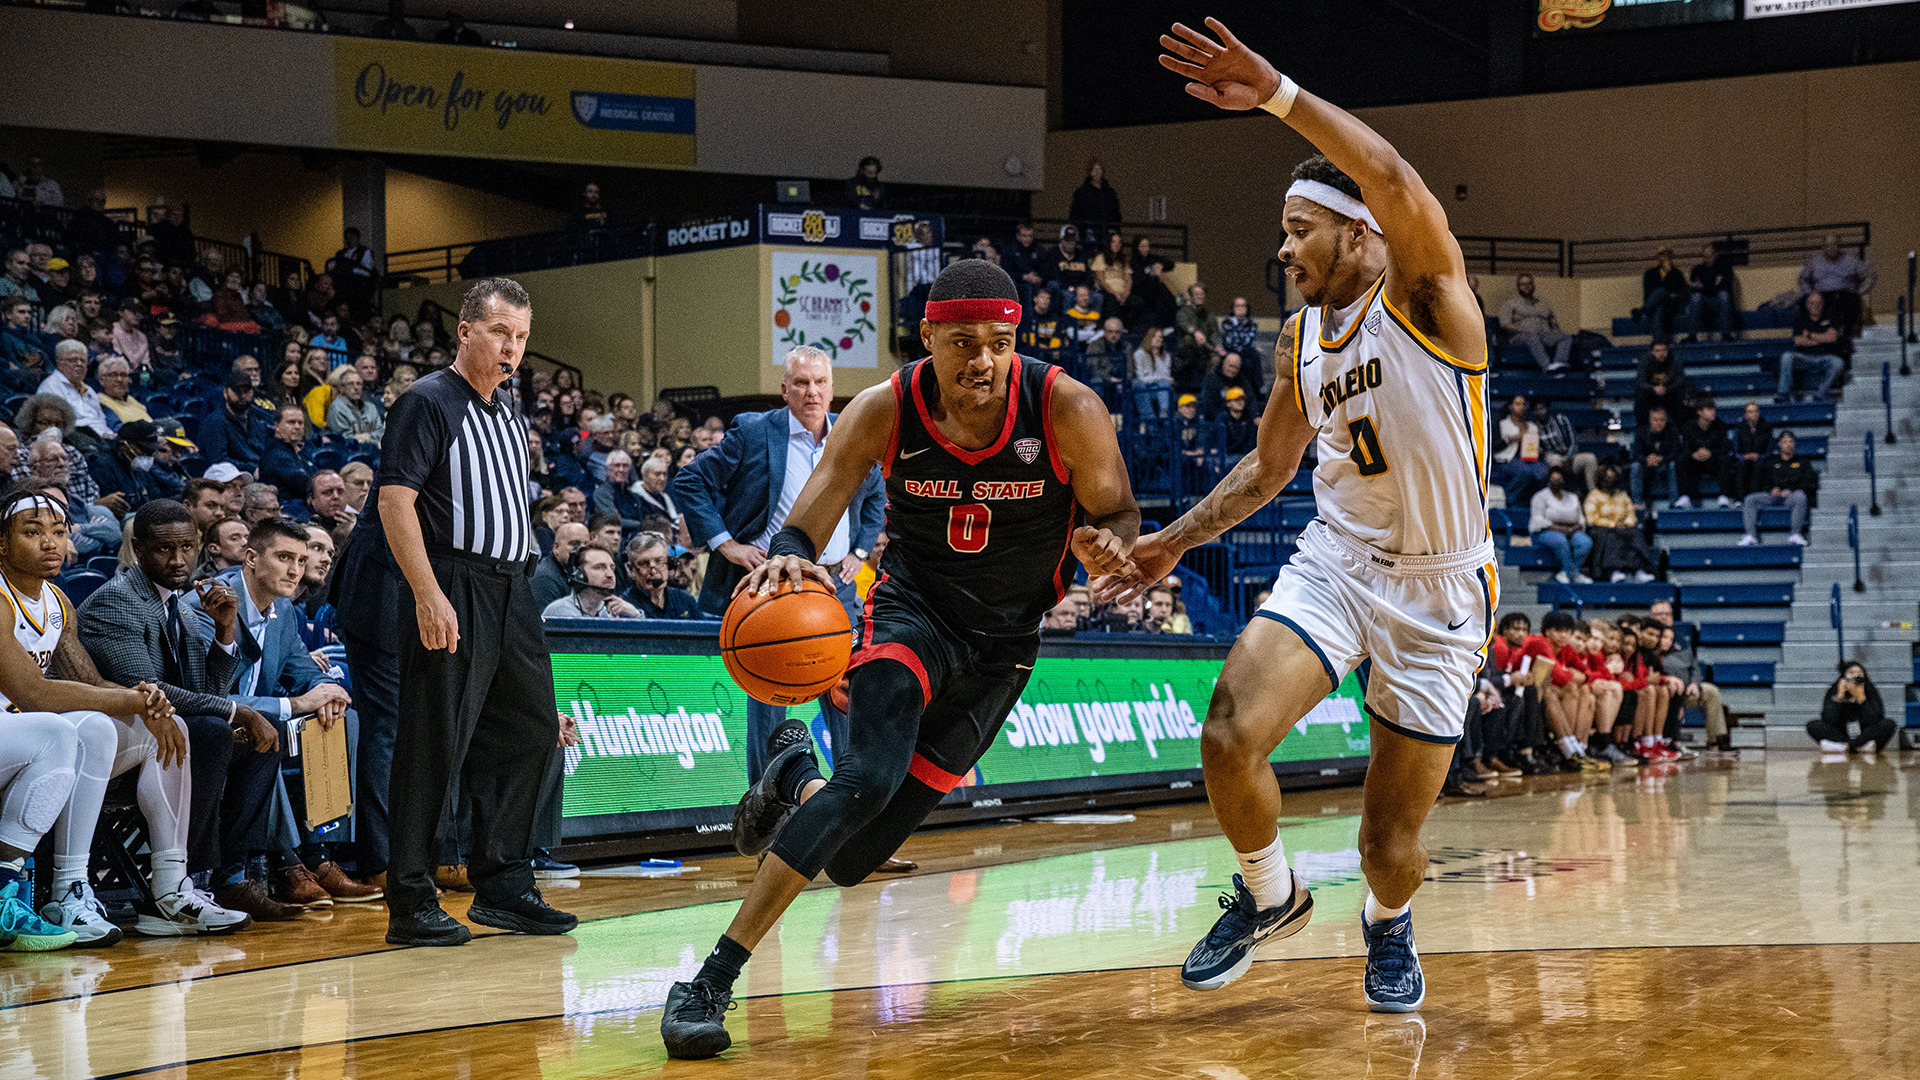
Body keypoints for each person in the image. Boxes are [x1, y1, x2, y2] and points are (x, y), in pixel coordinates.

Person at [1110, 19, 1498, 1014]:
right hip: (1337, 563)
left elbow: (1399, 178)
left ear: (1357, 229)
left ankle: (1386, 920)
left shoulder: (1428, 297)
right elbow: (1269, 466)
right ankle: (1270, 892)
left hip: (1440, 585)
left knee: (1389, 847)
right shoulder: (1300, 342)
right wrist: (1168, 544)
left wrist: (1280, 91)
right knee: (1229, 731)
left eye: (1299, 230)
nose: (1283, 250)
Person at [659, 259, 1137, 1060]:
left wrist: (1108, 542)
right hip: (911, 614)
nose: (981, 359)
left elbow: (1117, 507)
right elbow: (804, 523)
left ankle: (792, 780)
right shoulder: (888, 408)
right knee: (867, 779)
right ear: (929, 339)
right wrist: (789, 558)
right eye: (962, 342)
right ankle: (709, 980)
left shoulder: (1066, 407)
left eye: (998, 341)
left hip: (1004, 649)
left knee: (853, 859)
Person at [377, 278, 576, 947]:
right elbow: (394, 502)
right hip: (451, 582)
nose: (512, 348)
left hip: (511, 589)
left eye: (521, 337)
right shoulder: (427, 401)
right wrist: (428, 593)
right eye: (500, 333)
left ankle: (504, 883)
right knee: (434, 740)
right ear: (465, 331)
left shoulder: (509, 414)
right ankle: (409, 897)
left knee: (529, 728)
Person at [0, 483, 250, 944]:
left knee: (164, 726)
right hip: (20, 728)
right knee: (67, 730)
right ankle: (7, 887)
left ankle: (162, 889)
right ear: (1, 542)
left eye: (58, 531)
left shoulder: (57, 602)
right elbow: (33, 693)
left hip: (25, 736)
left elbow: (93, 685)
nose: (50, 542)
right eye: (32, 532)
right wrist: (136, 699)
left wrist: (153, 707)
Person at [671, 347, 887, 787]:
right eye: (802, 383)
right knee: (770, 693)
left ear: (832, 388)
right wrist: (726, 544)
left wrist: (859, 552)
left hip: (835, 583)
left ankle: (851, 808)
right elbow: (691, 480)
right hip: (772, 581)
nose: (812, 392)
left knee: (849, 698)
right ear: (784, 389)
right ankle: (768, 804)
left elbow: (875, 500)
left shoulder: (851, 434)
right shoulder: (754, 431)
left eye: (820, 382)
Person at [1647, 600, 1729, 755]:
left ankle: (1715, 741)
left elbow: (1694, 665)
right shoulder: (1650, 642)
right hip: (1665, 689)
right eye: (1659, 614)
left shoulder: (1681, 640)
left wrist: (1695, 683)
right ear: (1651, 616)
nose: (1664, 617)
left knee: (1711, 691)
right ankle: (1665, 742)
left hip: (1685, 689)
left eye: (1667, 614)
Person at [1739, 430, 1814, 547]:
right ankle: (1751, 535)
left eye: (1790, 441)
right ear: (1779, 444)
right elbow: (1764, 481)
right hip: (1774, 496)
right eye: (1785, 442)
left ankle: (1796, 534)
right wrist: (1772, 489)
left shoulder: (1803, 462)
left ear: (1794, 443)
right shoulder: (1772, 462)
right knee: (1750, 499)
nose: (1788, 444)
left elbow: (1807, 482)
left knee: (1800, 496)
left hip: (1791, 496)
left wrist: (1790, 490)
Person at [1584, 465, 1658, 582]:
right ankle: (1613, 571)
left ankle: (1639, 570)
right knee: (1612, 536)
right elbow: (1591, 518)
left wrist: (1626, 523)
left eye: (1612, 478)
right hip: (1602, 528)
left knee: (1635, 534)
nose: (1610, 480)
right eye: (1607, 478)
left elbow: (1630, 514)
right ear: (1601, 479)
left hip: (1623, 527)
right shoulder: (1594, 496)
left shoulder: (1623, 495)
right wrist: (1613, 524)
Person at [1798, 233, 1874, 338]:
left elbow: (1869, 276)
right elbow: (1802, 279)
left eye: (1834, 244)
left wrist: (1860, 291)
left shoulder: (1851, 261)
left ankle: (1847, 335)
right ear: (1823, 247)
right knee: (1803, 303)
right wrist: (1809, 293)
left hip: (1844, 294)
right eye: (1828, 245)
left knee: (1853, 300)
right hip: (1822, 295)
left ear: (1840, 246)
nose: (1831, 248)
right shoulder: (1815, 262)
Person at [1807, 661, 1892, 755]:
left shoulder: (1871, 691)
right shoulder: (1834, 691)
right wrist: (1839, 697)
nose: (1855, 676)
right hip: (1842, 733)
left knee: (1888, 724)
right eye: (1851, 673)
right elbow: (1828, 720)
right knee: (1813, 725)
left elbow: (1875, 719)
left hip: (1864, 733)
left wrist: (1861, 699)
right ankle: (1858, 747)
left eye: (1859, 673)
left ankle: (1845, 747)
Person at [39, 339, 113, 445]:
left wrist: (109, 434)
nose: (79, 364)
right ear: (60, 362)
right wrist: (99, 436)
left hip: (106, 440)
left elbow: (101, 419)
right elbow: (59, 427)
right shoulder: (50, 387)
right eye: (73, 360)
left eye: (83, 360)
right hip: (79, 442)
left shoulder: (89, 390)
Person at [1778, 291, 1846, 403]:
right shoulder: (1801, 319)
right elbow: (1798, 341)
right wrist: (1822, 338)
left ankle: (1820, 394)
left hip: (1824, 357)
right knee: (1786, 356)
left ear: (1822, 304)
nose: (1815, 306)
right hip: (1804, 357)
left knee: (1838, 363)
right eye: (1812, 303)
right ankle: (1783, 393)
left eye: (1818, 303)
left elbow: (1832, 338)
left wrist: (1810, 335)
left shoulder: (1829, 317)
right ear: (1807, 305)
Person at [196, 370, 271, 470]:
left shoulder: (258, 420)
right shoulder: (215, 422)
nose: (243, 396)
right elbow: (219, 461)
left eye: (246, 391)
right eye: (237, 391)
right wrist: (252, 469)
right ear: (225, 393)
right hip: (232, 479)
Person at [1529, 465, 1591, 585]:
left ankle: (1565, 571)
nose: (1556, 482)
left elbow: (1581, 520)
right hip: (1546, 531)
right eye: (1553, 480)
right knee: (1560, 540)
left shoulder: (1572, 497)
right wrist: (1559, 529)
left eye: (1559, 480)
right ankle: (1573, 573)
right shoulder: (1540, 496)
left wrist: (1573, 528)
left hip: (1571, 529)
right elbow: (1537, 520)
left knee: (1585, 542)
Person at [541, 544, 640, 619]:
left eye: (612, 568)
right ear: (579, 574)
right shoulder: (560, 612)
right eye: (599, 567)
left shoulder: (614, 612)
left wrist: (636, 616)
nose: (610, 575)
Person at [1498, 273, 1570, 372]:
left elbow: (1552, 320)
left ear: (1533, 285)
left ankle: (1559, 363)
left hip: (1544, 334)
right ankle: (1547, 367)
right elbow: (1504, 324)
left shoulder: (1542, 304)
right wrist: (1526, 330)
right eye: (1523, 284)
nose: (1527, 286)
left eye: (1529, 283)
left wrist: (1553, 328)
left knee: (1565, 336)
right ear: (1518, 287)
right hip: (1521, 336)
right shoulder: (1510, 304)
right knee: (1531, 335)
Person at [621, 532, 702, 619]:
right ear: (631, 570)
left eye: (659, 561)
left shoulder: (686, 601)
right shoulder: (624, 607)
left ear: (669, 565)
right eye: (644, 563)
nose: (653, 571)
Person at [1674, 398, 1734, 510]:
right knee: (1681, 459)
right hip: (1696, 462)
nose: (1713, 412)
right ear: (1699, 412)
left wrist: (1711, 453)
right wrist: (1693, 454)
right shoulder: (1689, 426)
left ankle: (1723, 495)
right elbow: (1684, 447)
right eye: (1709, 409)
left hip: (1713, 462)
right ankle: (1685, 496)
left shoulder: (1720, 425)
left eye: (1714, 409)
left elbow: (1725, 447)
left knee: (1725, 459)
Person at [1492, 394, 1549, 507]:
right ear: (1510, 406)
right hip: (1506, 458)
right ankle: (1510, 499)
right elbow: (1495, 446)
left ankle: (1534, 502)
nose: (1521, 407)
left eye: (1523, 404)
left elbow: (1539, 446)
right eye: (1517, 404)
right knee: (1525, 472)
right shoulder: (1502, 424)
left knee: (1543, 471)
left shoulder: (1532, 426)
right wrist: (1513, 439)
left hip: (1529, 458)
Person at [259, 405, 314, 500]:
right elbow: (301, 482)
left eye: (300, 423)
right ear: (277, 426)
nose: (297, 427)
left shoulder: (302, 452)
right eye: (291, 422)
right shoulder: (275, 454)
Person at [1629, 406, 1679, 508]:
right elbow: (1637, 453)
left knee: (1673, 465)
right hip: (1646, 465)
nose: (1659, 423)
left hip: (1665, 464)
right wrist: (1647, 459)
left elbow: (1675, 453)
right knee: (1635, 466)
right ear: (1650, 420)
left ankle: (1674, 502)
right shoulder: (1641, 432)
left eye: (1662, 420)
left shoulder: (1672, 431)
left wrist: (1661, 459)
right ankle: (1637, 503)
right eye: (1655, 420)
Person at [1686, 241, 1737, 341]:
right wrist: (1713, 284)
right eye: (1705, 256)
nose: (1707, 258)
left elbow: (1725, 286)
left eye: (1710, 255)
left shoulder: (1724, 268)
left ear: (1715, 255)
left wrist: (1704, 286)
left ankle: (1726, 334)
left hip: (1718, 302)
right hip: (1704, 303)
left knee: (1724, 296)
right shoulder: (1697, 270)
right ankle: (1692, 335)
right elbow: (1693, 288)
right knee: (1695, 298)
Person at [1069, 161, 1124, 248]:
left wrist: (1115, 228)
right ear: (1090, 172)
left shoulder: (1109, 192)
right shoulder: (1082, 192)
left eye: (1099, 169)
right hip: (1088, 230)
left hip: (1107, 230)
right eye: (1095, 170)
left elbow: (1115, 212)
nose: (1097, 172)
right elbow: (1075, 213)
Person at [1634, 341, 1688, 427]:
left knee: (1681, 394)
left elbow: (1680, 380)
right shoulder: (1645, 361)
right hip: (1651, 394)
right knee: (1640, 394)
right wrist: (1653, 389)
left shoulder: (1674, 360)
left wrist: (1667, 388)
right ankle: (1642, 427)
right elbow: (1640, 382)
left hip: (1669, 393)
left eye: (1663, 350)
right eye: (1657, 351)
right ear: (1652, 352)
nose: (1661, 353)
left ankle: (1679, 429)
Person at [1639, 245, 1687, 341]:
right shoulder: (1650, 274)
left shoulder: (1677, 274)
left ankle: (1643, 310)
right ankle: (1659, 343)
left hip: (1672, 304)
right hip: (1657, 305)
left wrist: (1668, 275)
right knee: (1659, 309)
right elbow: (1648, 292)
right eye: (1662, 255)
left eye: (1667, 255)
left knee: (1660, 291)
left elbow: (1680, 291)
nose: (1664, 257)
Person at [325, 365, 384, 444]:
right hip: (348, 454)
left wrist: (365, 437)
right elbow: (344, 439)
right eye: (350, 384)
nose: (356, 387)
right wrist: (371, 438)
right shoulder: (337, 408)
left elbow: (381, 433)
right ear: (343, 388)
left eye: (359, 384)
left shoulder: (371, 407)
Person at [1731, 400, 1773, 501]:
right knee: (1741, 465)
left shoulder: (1766, 427)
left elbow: (1770, 449)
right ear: (1745, 414)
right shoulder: (1739, 428)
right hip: (1744, 458)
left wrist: (1759, 456)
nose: (1753, 414)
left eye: (1755, 411)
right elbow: (1735, 449)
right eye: (1750, 412)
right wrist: (1744, 456)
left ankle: (1754, 498)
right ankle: (1740, 499)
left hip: (1761, 459)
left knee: (1759, 465)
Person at [1131, 326, 1173, 417]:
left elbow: (1166, 377)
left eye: (1160, 337)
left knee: (1165, 385)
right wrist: (1160, 378)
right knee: (1139, 385)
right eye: (1154, 337)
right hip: (1145, 387)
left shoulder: (1166, 356)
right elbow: (1142, 378)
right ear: (1149, 338)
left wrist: (1157, 356)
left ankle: (1164, 414)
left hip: (1158, 389)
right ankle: (1149, 419)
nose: (1158, 339)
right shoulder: (1139, 354)